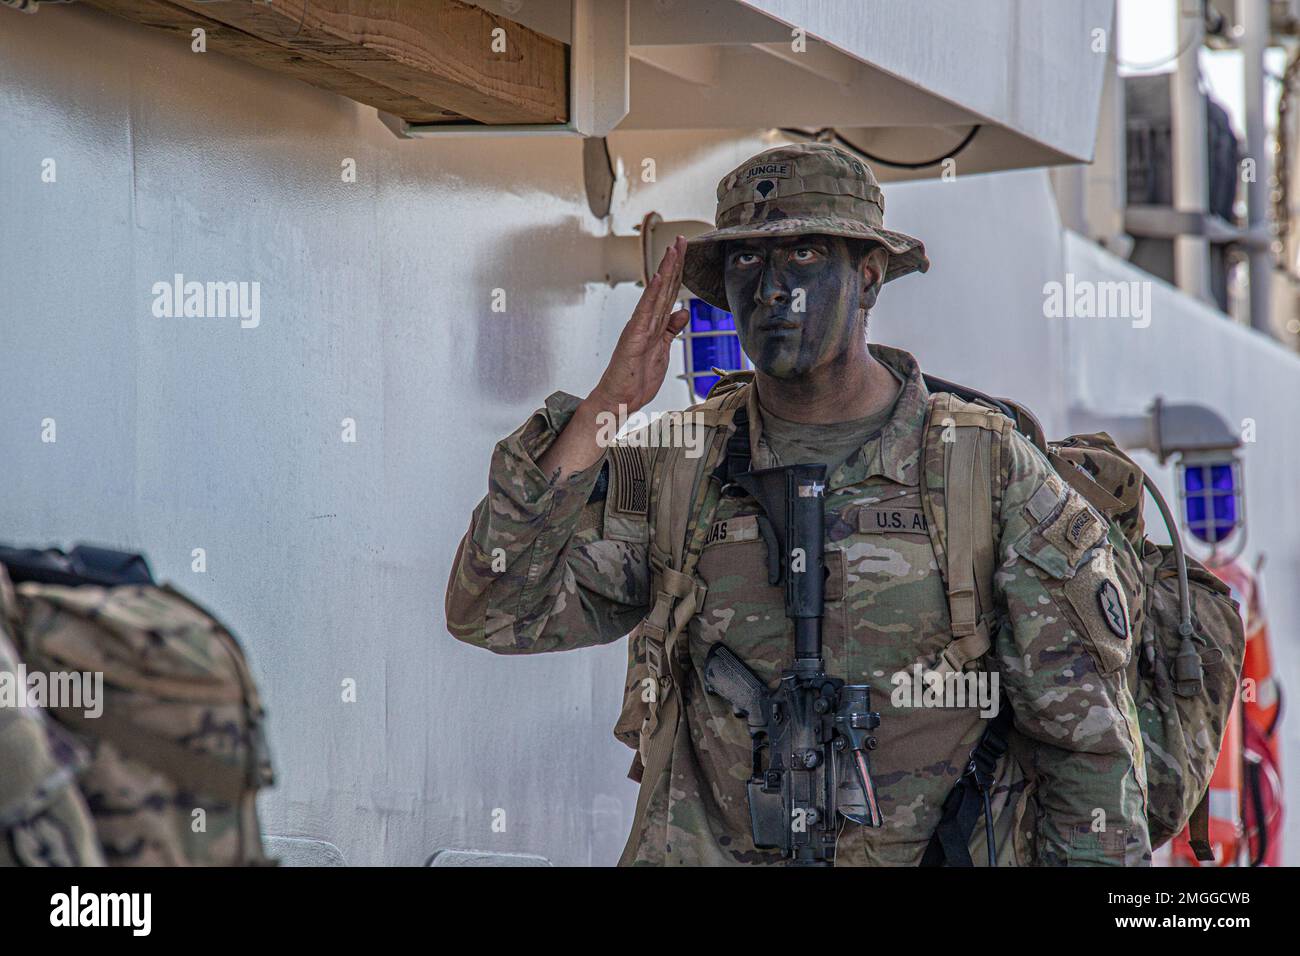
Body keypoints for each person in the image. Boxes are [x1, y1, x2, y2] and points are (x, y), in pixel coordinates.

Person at [446, 143, 1149, 866]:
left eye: (806, 255)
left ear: (868, 277)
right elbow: (496, 608)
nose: (774, 288)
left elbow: (1088, 754)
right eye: (748, 262)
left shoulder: (985, 468)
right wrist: (608, 406)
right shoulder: (677, 465)